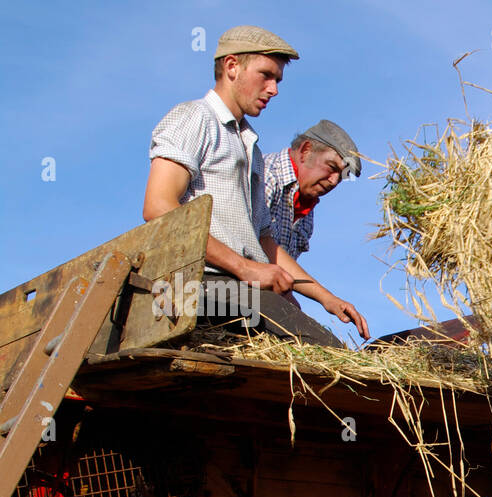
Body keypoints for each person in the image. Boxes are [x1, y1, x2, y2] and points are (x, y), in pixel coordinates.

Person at [142, 25, 369, 341]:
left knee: (319, 344)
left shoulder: (252, 150)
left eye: (277, 80)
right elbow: (158, 206)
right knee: (318, 348)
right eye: (266, 75)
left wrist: (326, 299)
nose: (274, 89)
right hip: (191, 286)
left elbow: (265, 242)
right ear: (232, 67)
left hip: (233, 291)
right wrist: (245, 268)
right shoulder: (194, 118)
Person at [264, 120, 361, 263]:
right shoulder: (265, 175)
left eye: (341, 177)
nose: (334, 181)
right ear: (306, 151)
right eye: (332, 167)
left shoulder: (307, 213)